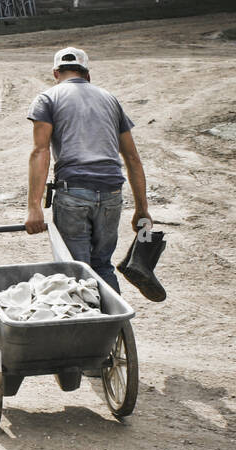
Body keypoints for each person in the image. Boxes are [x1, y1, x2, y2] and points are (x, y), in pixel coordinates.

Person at [24, 47, 149, 295]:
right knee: (102, 266)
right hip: (112, 193)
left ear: (55, 73)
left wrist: (34, 206)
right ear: (87, 75)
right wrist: (142, 210)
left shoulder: (48, 98)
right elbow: (133, 158)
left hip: (74, 194)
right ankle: (114, 328)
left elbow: (40, 151)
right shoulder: (110, 99)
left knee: (76, 271)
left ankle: (86, 331)